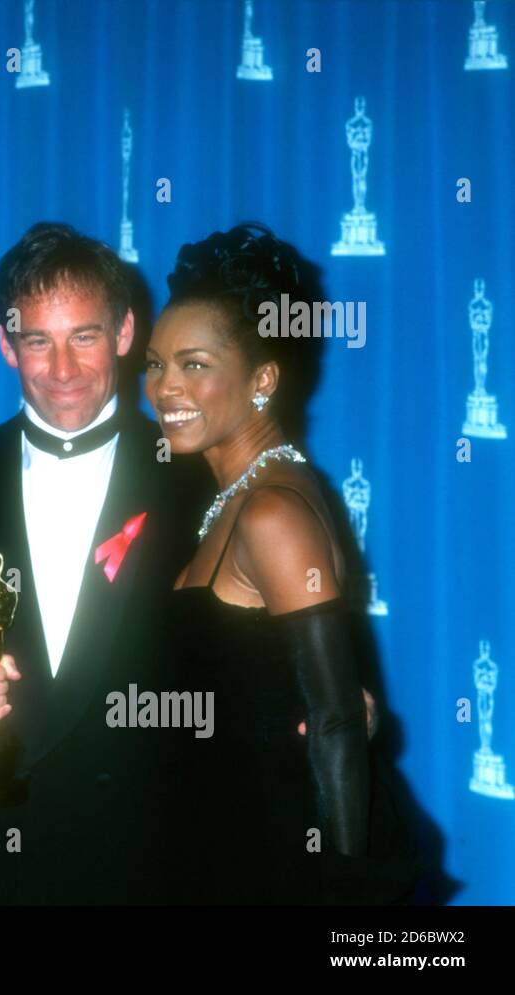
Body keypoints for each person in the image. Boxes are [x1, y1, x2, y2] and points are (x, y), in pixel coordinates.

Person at [0, 223, 206, 904]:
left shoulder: (199, 483)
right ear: (6, 344)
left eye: (84, 335)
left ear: (127, 332)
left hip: (148, 861)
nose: (63, 368)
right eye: (38, 340)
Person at [144, 222, 417, 903]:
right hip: (220, 838)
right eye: (154, 362)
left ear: (262, 378)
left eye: (195, 364)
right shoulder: (232, 497)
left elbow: (335, 722)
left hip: (271, 854)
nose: (164, 386)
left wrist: (349, 907)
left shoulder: (272, 511)